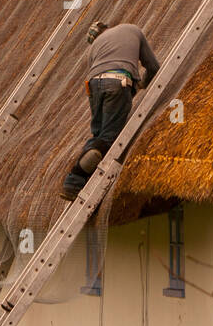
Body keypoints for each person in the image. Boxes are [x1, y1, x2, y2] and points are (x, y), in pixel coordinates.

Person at [61, 20, 160, 201]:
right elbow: (153, 66)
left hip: (93, 84)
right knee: (108, 138)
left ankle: (72, 184)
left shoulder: (94, 49)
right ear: (107, 28)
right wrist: (144, 83)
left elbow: (96, 72)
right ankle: (75, 178)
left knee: (98, 134)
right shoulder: (132, 28)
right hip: (118, 80)